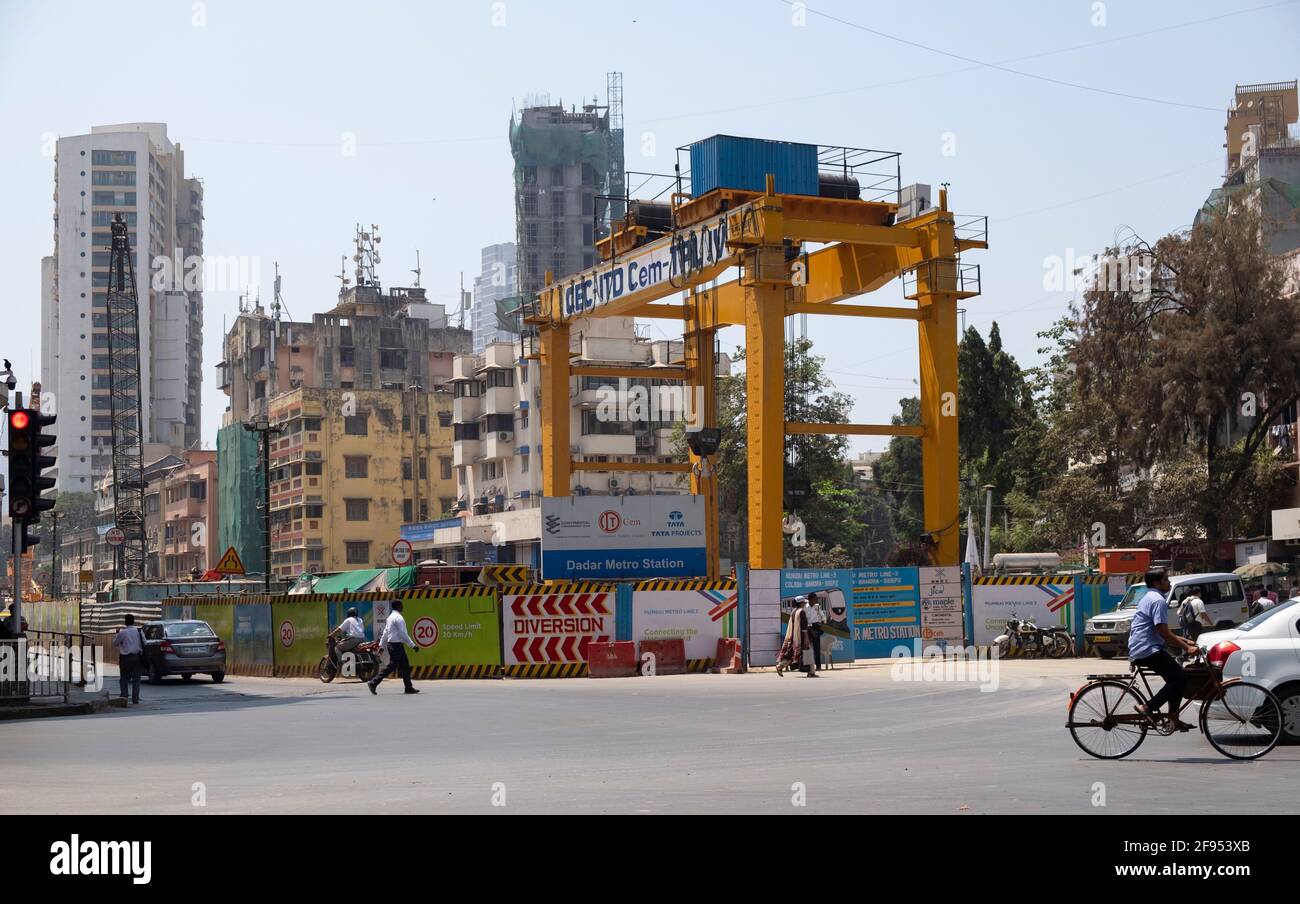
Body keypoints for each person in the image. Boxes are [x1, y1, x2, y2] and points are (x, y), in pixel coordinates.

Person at [1128, 570, 1198, 730]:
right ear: (1156, 583)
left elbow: (1161, 630)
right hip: (1147, 649)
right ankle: (1146, 708)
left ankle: (1173, 719)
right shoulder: (1158, 601)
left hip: (1144, 646)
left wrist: (1185, 640)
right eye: (1166, 579)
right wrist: (1187, 647)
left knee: (1177, 679)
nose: (1169, 582)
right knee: (1180, 678)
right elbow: (1163, 632)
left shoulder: (1149, 597)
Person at [368, 601, 418, 695]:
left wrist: (381, 645)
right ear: (399, 606)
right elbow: (403, 634)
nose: (403, 606)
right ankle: (373, 682)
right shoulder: (399, 618)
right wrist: (412, 645)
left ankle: (408, 687)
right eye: (402, 605)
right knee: (392, 667)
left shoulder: (390, 617)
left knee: (405, 666)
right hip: (396, 646)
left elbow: (385, 632)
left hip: (393, 645)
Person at [113, 614, 145, 705]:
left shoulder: (123, 632)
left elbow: (115, 644)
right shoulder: (139, 631)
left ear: (125, 622)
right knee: (136, 679)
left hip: (125, 658)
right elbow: (145, 642)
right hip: (137, 657)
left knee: (124, 678)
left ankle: (124, 698)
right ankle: (135, 699)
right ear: (133, 621)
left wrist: (116, 634)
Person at [775, 598, 809, 677]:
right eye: (803, 602)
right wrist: (806, 638)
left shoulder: (794, 611)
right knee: (797, 653)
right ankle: (780, 666)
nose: (804, 604)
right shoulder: (801, 612)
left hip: (793, 635)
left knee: (792, 653)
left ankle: (811, 672)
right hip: (800, 636)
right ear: (800, 603)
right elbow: (804, 627)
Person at [802, 594, 825, 676]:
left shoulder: (817, 606)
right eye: (815, 599)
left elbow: (822, 615)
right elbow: (804, 619)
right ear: (811, 599)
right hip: (808, 628)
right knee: (808, 648)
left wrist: (823, 621)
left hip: (815, 626)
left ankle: (818, 666)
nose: (816, 600)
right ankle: (808, 667)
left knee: (817, 647)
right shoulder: (805, 607)